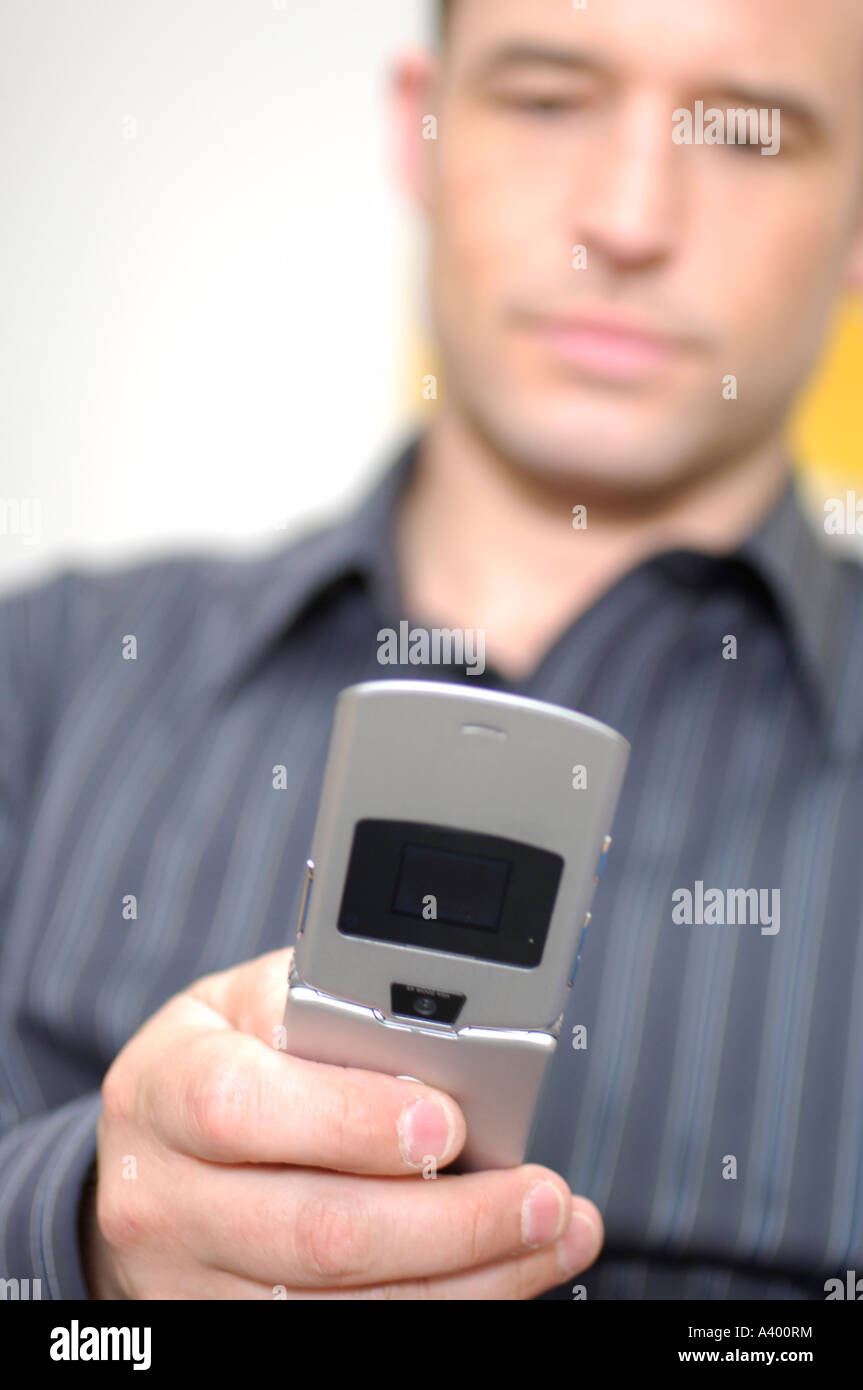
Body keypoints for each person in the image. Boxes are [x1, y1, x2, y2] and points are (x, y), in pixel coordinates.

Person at [2, 0, 862, 1301]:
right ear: (421, 127)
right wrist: (84, 1239)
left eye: (744, 136)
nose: (630, 220)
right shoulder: (46, 680)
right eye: (548, 99)